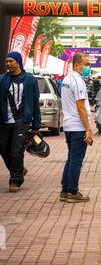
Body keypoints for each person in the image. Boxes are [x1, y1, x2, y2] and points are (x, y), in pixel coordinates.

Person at [0, 51, 41, 192]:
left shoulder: (30, 80)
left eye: (10, 61)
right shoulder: (2, 80)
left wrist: (36, 124)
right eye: (6, 62)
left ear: (18, 62)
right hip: (4, 120)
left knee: (16, 149)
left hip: (22, 120)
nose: (8, 64)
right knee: (3, 148)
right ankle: (18, 168)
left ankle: (15, 179)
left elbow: (35, 102)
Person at [60, 53, 93, 203]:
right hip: (77, 125)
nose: (88, 67)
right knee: (76, 160)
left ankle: (65, 190)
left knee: (71, 158)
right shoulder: (77, 81)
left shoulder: (66, 79)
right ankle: (72, 191)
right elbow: (81, 107)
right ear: (77, 65)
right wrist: (88, 128)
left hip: (68, 125)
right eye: (86, 64)